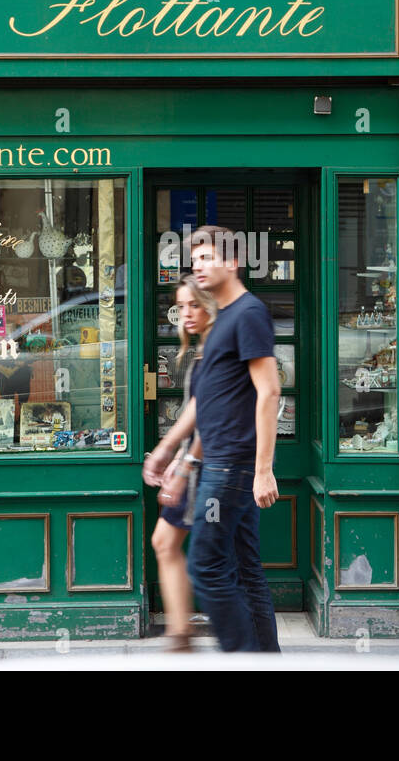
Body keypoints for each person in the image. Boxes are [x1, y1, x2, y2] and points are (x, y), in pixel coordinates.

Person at [145, 224, 281, 652]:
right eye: (195, 259)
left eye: (207, 258)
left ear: (232, 262)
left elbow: (270, 391)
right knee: (244, 569)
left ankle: (242, 657)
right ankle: (267, 657)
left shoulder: (249, 314)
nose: (198, 266)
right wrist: (168, 449)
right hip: (222, 465)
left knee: (205, 565)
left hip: (229, 468)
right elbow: (207, 401)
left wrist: (263, 471)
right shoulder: (225, 322)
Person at [141, 275, 217, 652]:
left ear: (211, 306)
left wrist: (183, 462)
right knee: (167, 542)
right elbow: (195, 411)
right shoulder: (202, 349)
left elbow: (211, 417)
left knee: (217, 558)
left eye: (194, 305)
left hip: (208, 470)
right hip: (196, 464)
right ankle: (181, 632)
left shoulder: (215, 349)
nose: (185, 313)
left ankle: (188, 633)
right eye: (181, 306)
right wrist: (169, 453)